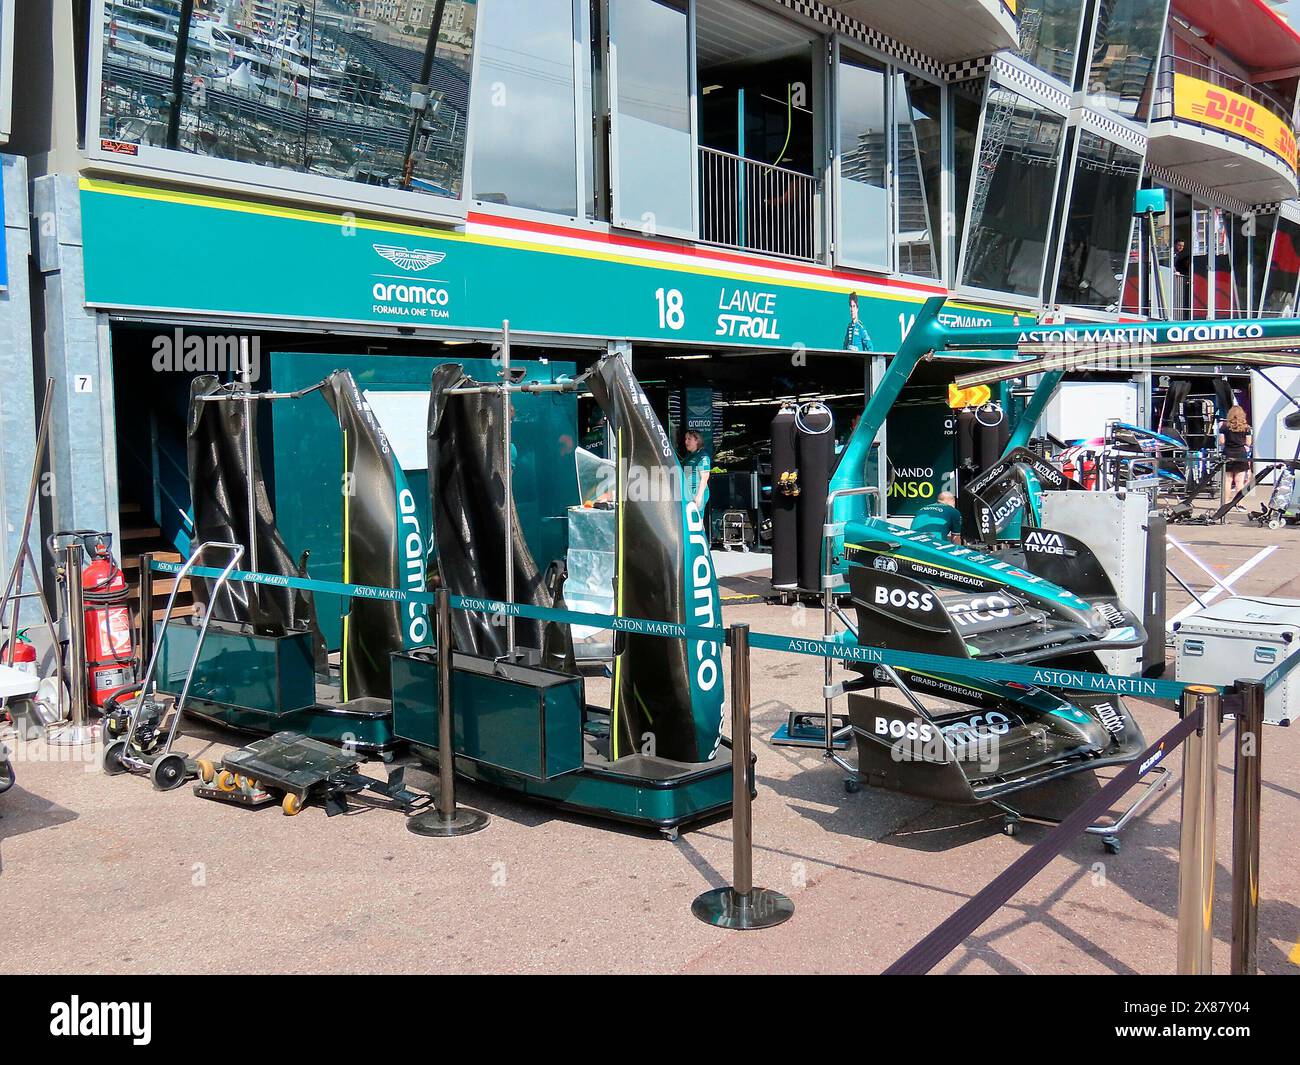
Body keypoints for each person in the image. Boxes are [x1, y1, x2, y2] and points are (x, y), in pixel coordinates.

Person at [1218, 404, 1253, 501]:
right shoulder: (1246, 428)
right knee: (1239, 481)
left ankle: (1225, 503)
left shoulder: (1224, 426)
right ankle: (1239, 503)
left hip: (1228, 453)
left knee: (1228, 480)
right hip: (1241, 454)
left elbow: (1221, 441)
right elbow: (1248, 443)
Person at [681, 429, 711, 514]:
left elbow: (705, 478)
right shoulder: (689, 456)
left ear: (697, 440)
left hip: (696, 493)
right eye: (685, 439)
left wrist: (699, 496)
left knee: (696, 522)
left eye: (689, 439)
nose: (686, 442)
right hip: (688, 494)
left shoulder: (703, 456)